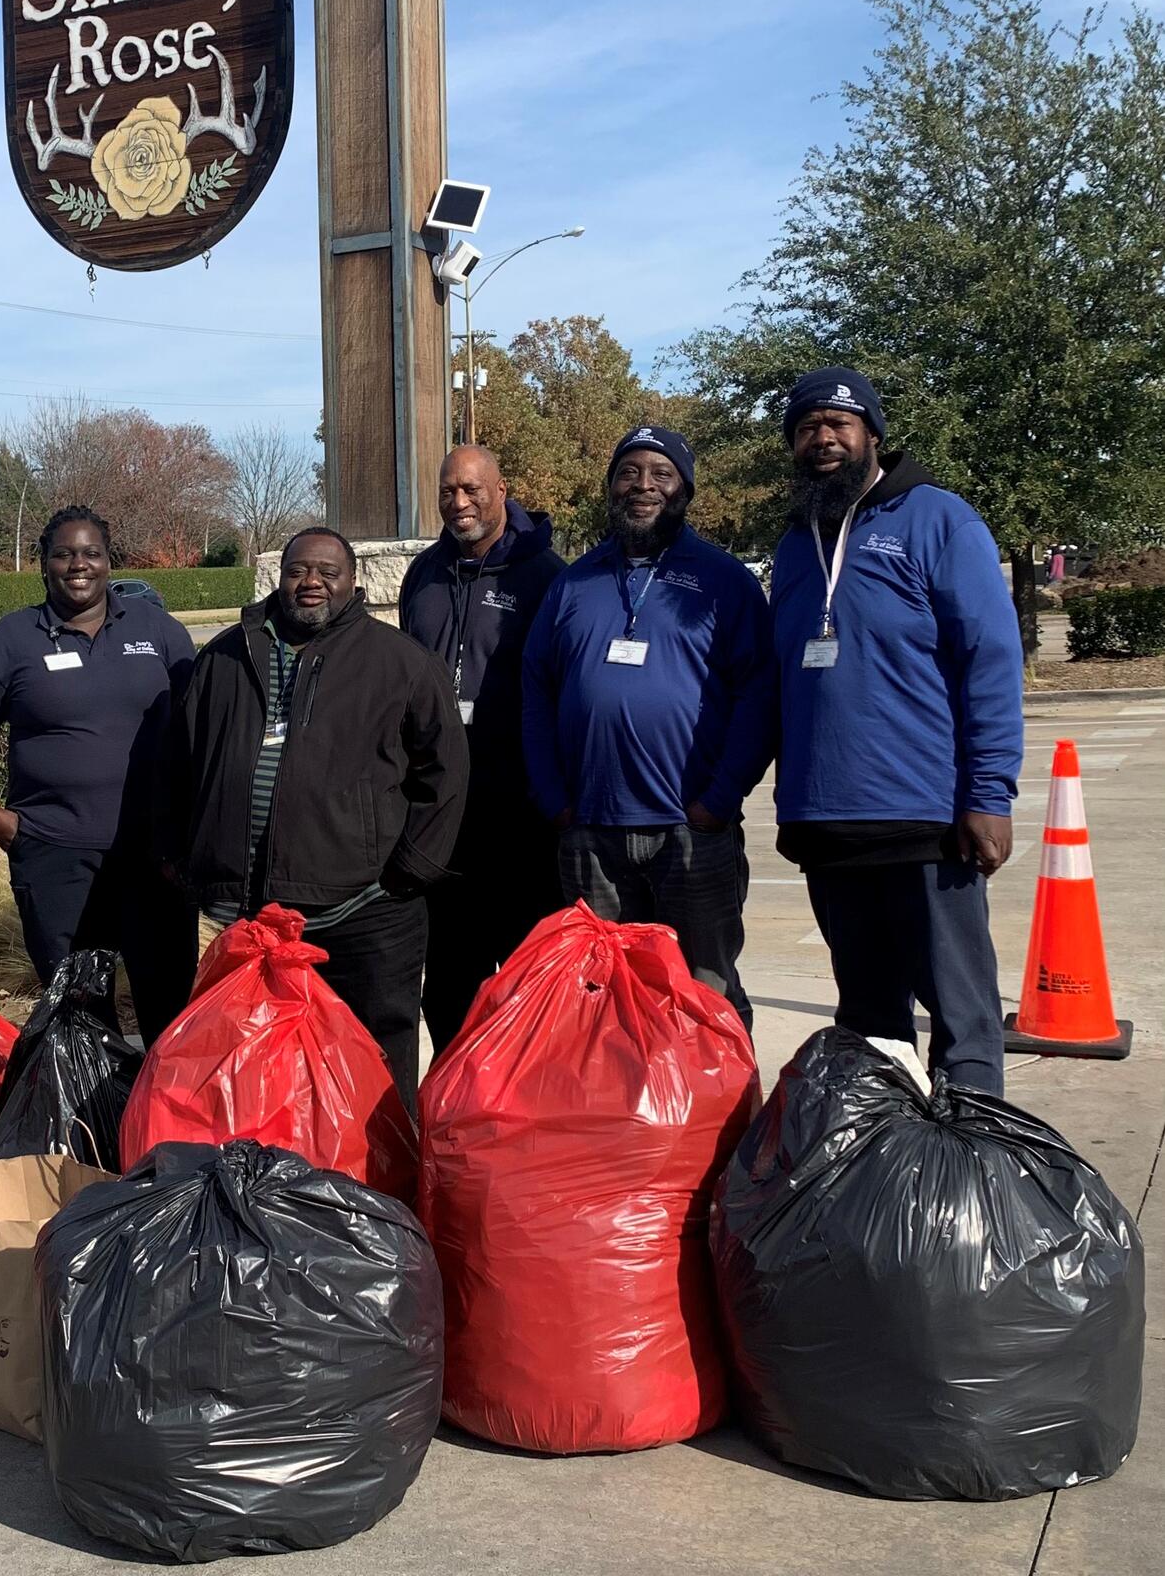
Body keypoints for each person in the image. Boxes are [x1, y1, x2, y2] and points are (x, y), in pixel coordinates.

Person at [770, 366, 1023, 1094]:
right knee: (868, 1027)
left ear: (872, 435)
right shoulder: (794, 543)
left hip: (925, 820)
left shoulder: (938, 520)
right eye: (807, 428)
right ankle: (890, 1159)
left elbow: (990, 660)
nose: (822, 438)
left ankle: (976, 1152)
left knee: (961, 1020)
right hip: (826, 823)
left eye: (838, 424)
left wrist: (989, 795)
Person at [159, 525, 469, 1109]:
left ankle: (384, 1165)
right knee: (262, 1072)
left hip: (366, 911)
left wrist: (412, 868)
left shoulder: (400, 662)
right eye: (299, 570)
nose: (312, 583)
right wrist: (182, 853)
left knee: (376, 1063)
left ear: (353, 582)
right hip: (252, 914)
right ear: (280, 578)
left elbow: (445, 772)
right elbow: (181, 760)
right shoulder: (226, 655)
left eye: (329, 572)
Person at [522, 424, 772, 1026]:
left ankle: (722, 1093)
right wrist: (555, 801)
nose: (643, 485)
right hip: (591, 832)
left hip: (690, 831)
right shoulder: (572, 582)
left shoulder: (723, 581)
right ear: (610, 487)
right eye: (628, 472)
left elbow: (760, 696)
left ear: (686, 489)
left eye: (662, 473)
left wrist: (719, 801)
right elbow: (536, 693)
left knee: (705, 994)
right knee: (602, 1003)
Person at [0, 505, 197, 1044]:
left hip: (155, 856)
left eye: (90, 553)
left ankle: (164, 1098)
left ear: (108, 562)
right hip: (56, 855)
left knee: (169, 1002)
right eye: (63, 554)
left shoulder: (157, 630)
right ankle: (93, 1099)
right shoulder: (11, 640)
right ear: (44, 565)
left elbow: (199, 722)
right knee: (79, 1012)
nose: (78, 565)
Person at [399, 444, 566, 1049]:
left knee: (529, 989)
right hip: (442, 818)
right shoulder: (423, 575)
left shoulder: (547, 576)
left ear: (501, 491)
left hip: (522, 818)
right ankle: (456, 1097)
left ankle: (526, 1101)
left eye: (471, 489)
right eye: (448, 491)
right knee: (448, 986)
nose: (459, 502)